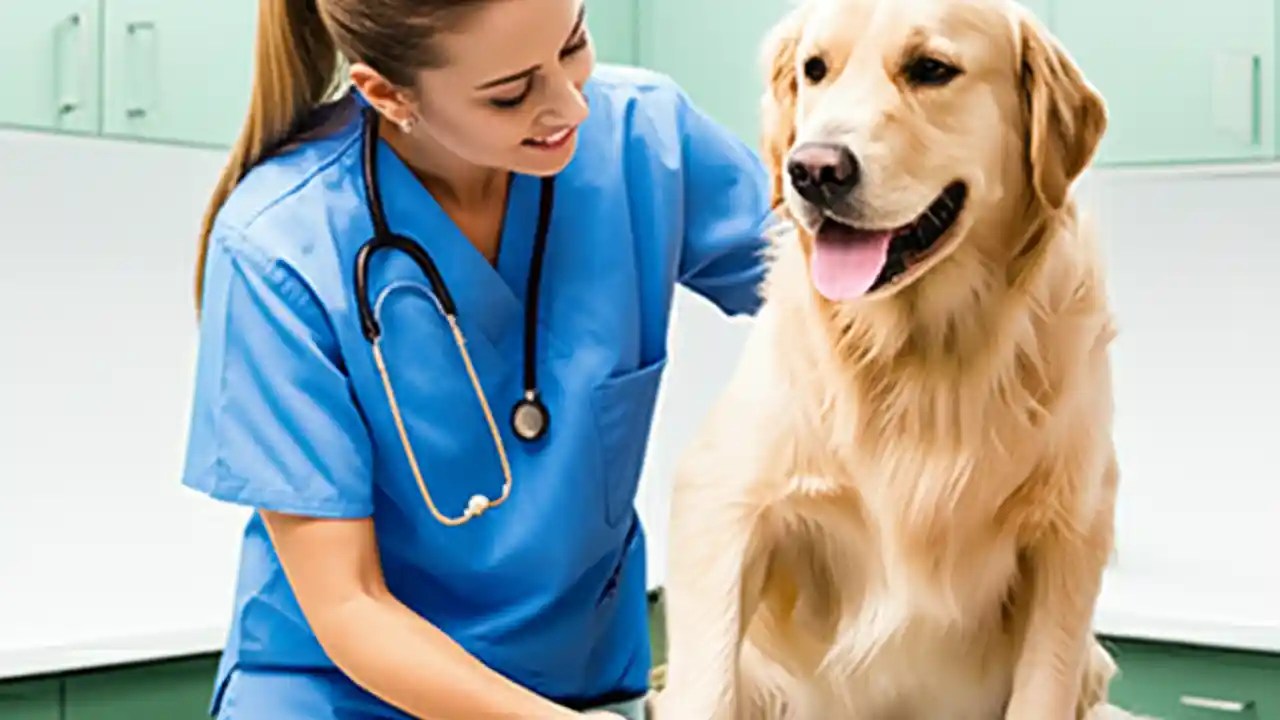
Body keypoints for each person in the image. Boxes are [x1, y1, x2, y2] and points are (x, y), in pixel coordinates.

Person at [181, 0, 773, 717]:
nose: (569, 103)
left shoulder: (645, 140)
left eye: (575, 43)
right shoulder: (279, 245)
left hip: (579, 687)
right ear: (388, 94)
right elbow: (350, 604)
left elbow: (845, 305)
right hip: (348, 700)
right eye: (512, 93)